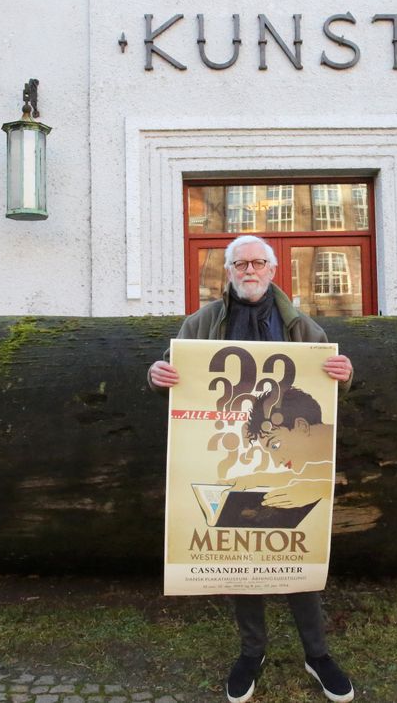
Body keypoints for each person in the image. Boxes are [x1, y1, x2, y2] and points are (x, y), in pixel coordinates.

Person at [149, 235, 355, 703]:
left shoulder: (301, 326)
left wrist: (345, 374)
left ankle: (317, 654)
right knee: (240, 553)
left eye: (258, 262)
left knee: (297, 547)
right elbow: (170, 370)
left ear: (272, 269)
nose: (249, 269)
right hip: (224, 454)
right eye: (240, 263)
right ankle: (252, 653)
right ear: (228, 271)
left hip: (285, 456)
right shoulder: (201, 322)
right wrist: (156, 376)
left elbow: (330, 387)